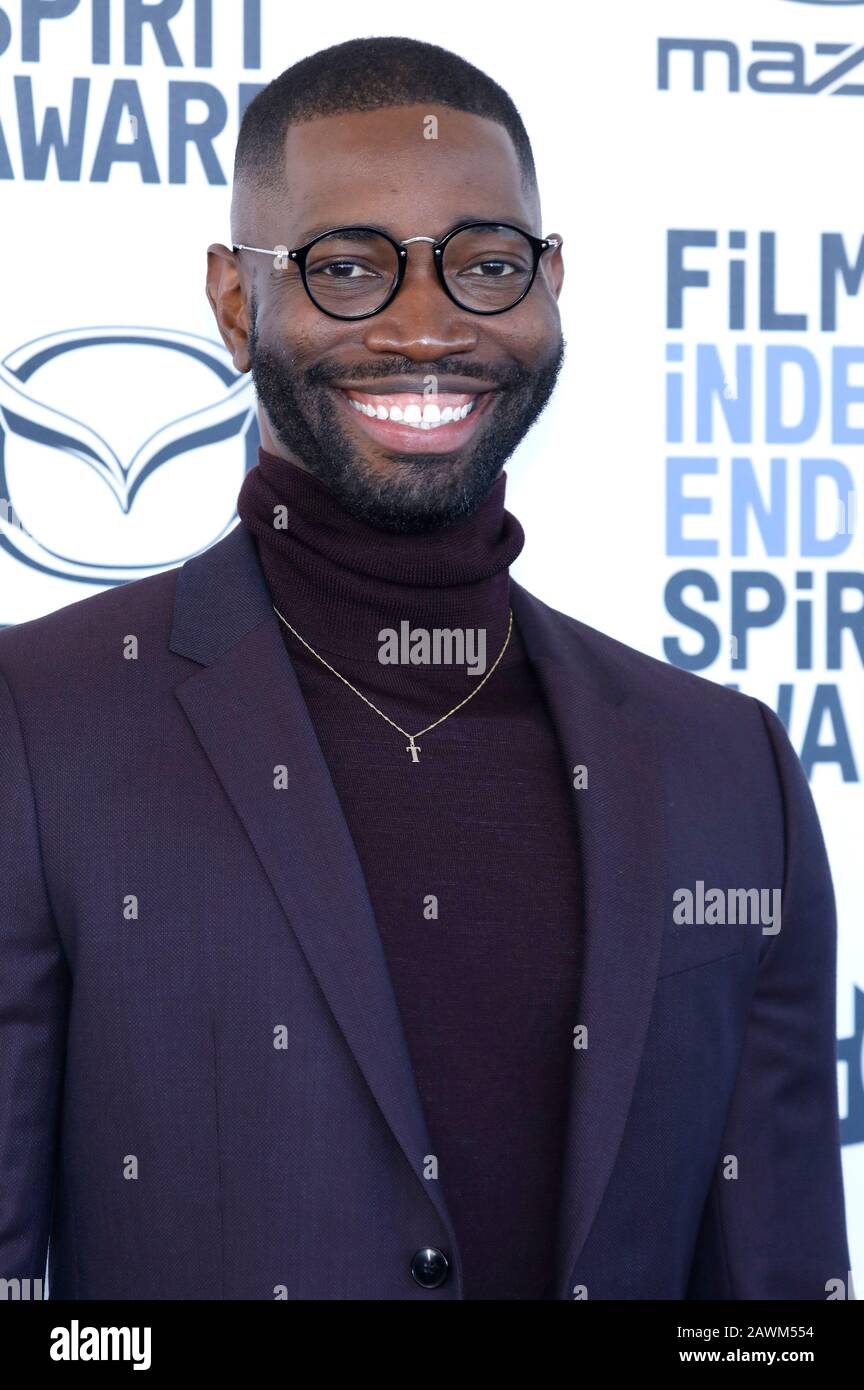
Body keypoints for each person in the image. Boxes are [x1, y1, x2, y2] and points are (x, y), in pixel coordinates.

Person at [0, 36, 849, 1301]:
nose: (427, 325)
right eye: (347, 268)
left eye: (487, 264)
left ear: (550, 284)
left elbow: (771, 1301)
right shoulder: (39, 725)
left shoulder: (729, 767)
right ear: (237, 303)